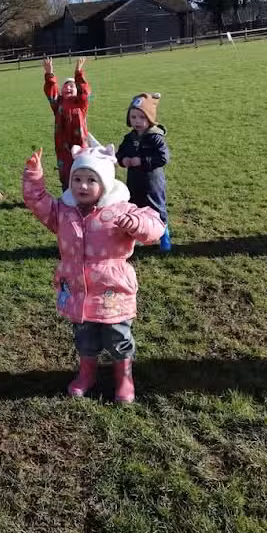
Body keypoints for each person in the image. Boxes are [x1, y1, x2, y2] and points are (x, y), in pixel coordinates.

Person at [22, 143, 164, 402]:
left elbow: (155, 225)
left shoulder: (120, 210)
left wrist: (137, 224)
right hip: (77, 289)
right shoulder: (63, 212)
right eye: (77, 179)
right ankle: (86, 374)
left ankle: (124, 378)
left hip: (112, 290)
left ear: (106, 184)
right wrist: (34, 175)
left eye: (91, 180)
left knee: (118, 336)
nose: (82, 186)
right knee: (84, 336)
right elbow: (37, 202)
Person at [116, 93, 171, 251]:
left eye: (141, 117)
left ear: (150, 119)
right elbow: (120, 154)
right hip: (134, 181)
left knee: (156, 207)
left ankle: (164, 233)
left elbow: (163, 157)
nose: (137, 121)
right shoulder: (129, 138)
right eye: (133, 117)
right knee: (135, 207)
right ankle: (139, 235)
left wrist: (142, 161)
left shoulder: (155, 137)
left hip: (152, 182)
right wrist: (123, 160)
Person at [43, 56, 90, 191]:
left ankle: (84, 194)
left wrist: (78, 73)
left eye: (72, 85)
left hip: (80, 144)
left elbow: (84, 91)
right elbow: (51, 90)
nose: (69, 87)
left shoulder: (81, 103)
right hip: (63, 146)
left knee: (82, 169)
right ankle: (66, 192)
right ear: (61, 91)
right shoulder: (58, 104)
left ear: (77, 90)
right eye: (66, 85)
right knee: (66, 171)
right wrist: (49, 73)